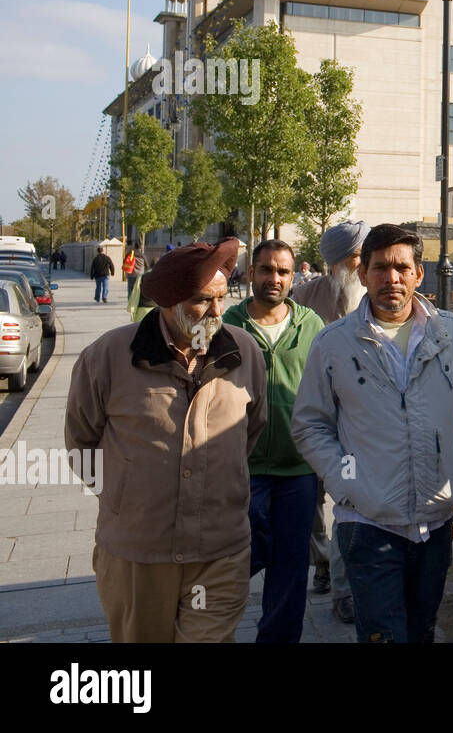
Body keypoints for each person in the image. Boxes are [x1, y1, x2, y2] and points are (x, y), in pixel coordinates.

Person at [292, 224, 453, 643]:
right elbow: (311, 423)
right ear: (363, 273)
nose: (392, 278)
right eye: (381, 268)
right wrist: (345, 478)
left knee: (421, 631)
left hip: (434, 524)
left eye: (402, 267)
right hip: (368, 523)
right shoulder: (334, 343)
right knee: (384, 636)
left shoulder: (451, 335)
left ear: (418, 274)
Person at [64, 238, 267, 643]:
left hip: (220, 552)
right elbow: (81, 443)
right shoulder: (106, 356)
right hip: (138, 554)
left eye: (221, 299)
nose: (215, 313)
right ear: (168, 302)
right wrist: (128, 498)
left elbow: (251, 431)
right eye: (200, 301)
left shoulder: (245, 353)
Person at [223, 239, 324, 643]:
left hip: (298, 468)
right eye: (266, 269)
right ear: (251, 273)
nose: (274, 279)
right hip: (241, 467)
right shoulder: (227, 322)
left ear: (294, 274)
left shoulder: (311, 325)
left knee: (291, 567)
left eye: (283, 271)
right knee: (237, 557)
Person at [291, 219, 370, 623]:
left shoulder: (378, 296)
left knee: (350, 503)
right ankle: (322, 562)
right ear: (337, 263)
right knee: (311, 503)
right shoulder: (304, 298)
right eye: (356, 258)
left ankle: (344, 589)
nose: (362, 266)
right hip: (315, 419)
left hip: (359, 423)